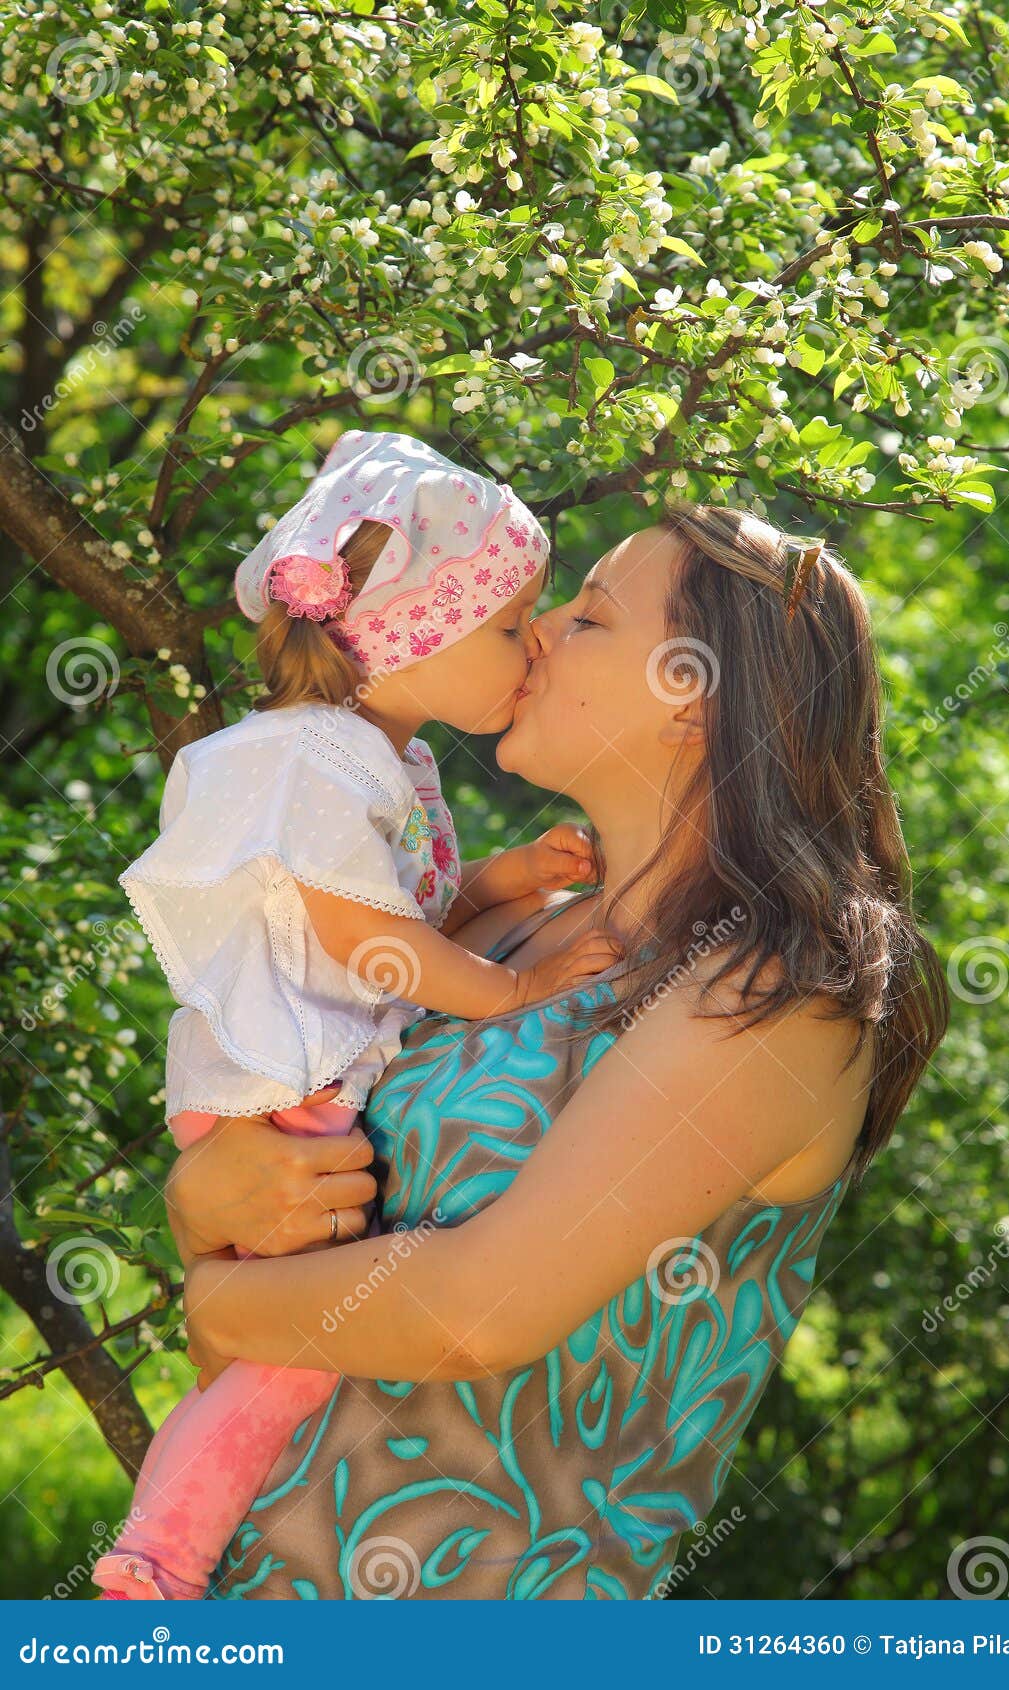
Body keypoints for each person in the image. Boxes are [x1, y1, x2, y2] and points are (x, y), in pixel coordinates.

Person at [170, 503, 949, 1601]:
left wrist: (206, 1297)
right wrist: (203, 1205)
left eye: (587, 617)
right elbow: (289, 1190)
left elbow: (475, 1308)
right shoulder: (502, 938)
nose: (533, 632)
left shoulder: (777, 997)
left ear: (697, 691)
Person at [92, 430, 618, 1601]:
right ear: (412, 636)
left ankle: (207, 1550)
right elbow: (367, 942)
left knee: (286, 1348)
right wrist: (519, 988)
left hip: (292, 1097)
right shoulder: (315, 762)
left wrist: (503, 883)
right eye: (503, 627)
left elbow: (407, 913)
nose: (529, 648)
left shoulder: (374, 758)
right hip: (282, 1100)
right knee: (288, 1355)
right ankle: (157, 1560)